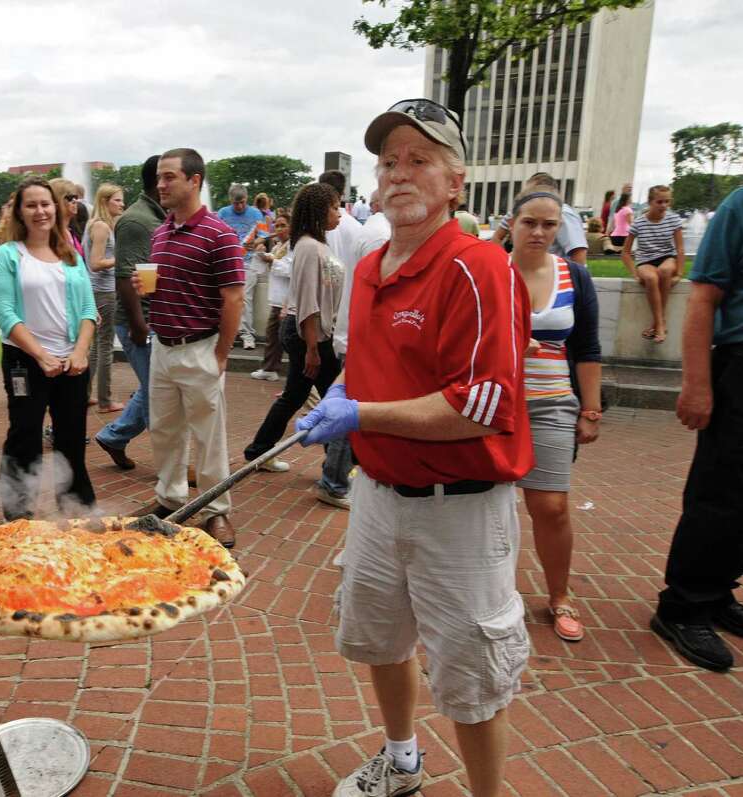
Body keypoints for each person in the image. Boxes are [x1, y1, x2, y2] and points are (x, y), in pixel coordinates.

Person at [297, 98, 532, 797]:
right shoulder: (370, 268)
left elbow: (483, 406)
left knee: (472, 679)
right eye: (389, 162)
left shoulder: (479, 267)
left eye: (419, 160)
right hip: (376, 497)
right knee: (380, 639)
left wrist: (361, 413)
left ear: (455, 182)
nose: (400, 173)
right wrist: (345, 391)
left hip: (461, 511)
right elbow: (368, 365)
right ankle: (401, 762)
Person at [652, 174, 743, 672]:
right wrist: (697, 384)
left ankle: (717, 588)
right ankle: (683, 606)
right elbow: (703, 298)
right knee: (724, 495)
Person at [509, 187, 603, 642]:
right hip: (492, 402)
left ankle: (559, 594)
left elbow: (587, 347)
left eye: (549, 225)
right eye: (530, 222)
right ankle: (487, 592)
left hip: (551, 402)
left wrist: (591, 410)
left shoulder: (574, 276)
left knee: (550, 505)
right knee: (484, 504)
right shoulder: (490, 271)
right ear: (512, 224)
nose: (539, 232)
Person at [147, 148, 245, 547]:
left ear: (195, 180)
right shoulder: (160, 233)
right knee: (164, 431)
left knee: (209, 437)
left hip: (200, 347)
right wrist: (146, 289)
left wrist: (221, 354)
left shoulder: (219, 234)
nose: (161, 184)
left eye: (169, 176)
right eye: (159, 177)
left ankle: (216, 510)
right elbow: (168, 287)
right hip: (162, 347)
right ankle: (170, 499)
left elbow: (233, 297)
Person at [0, 177, 98, 519]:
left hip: (71, 362)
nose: (40, 211)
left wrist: (80, 351)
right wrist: (40, 354)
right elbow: (5, 314)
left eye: (45, 204)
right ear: (20, 212)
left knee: (72, 438)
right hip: (25, 361)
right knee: (25, 435)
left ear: (56, 208)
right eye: (31, 205)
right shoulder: (8, 255)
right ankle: (18, 515)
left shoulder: (70, 253)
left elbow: (88, 309)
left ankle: (77, 510)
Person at [243, 183, 344, 476]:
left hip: (313, 332)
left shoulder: (316, 245)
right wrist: (312, 348)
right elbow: (307, 301)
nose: (339, 213)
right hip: (309, 333)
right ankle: (336, 470)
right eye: (334, 207)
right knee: (334, 397)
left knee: (297, 395)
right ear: (319, 210)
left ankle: (259, 450)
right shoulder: (309, 247)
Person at [94, 157, 165, 470]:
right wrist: (138, 325)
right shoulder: (137, 221)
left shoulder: (159, 216)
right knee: (158, 391)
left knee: (152, 387)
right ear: (159, 181)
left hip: (153, 319)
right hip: (141, 322)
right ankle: (169, 463)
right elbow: (125, 276)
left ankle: (114, 436)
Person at [315, 169, 364, 509]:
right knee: (342, 402)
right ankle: (333, 477)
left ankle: (335, 469)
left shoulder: (330, 231)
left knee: (332, 398)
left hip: (332, 323)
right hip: (336, 325)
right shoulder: (355, 230)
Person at [82, 183, 126, 414]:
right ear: (104, 201)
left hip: (97, 291)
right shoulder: (101, 227)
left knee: (96, 347)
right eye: (117, 200)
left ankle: (84, 394)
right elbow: (95, 263)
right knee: (105, 346)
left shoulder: (96, 224)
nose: (122, 204)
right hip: (104, 292)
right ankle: (105, 401)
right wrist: (122, 259)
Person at [621, 185, 685, 344]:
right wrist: (634, 274)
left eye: (667, 201)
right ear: (650, 202)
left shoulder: (673, 220)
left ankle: (658, 325)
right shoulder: (639, 223)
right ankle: (660, 323)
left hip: (667, 257)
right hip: (645, 260)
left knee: (665, 271)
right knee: (651, 278)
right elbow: (625, 252)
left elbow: (680, 248)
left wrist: (679, 273)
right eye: (659, 202)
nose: (664, 205)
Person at [491, 173, 587, 264]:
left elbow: (578, 251)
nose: (538, 232)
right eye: (528, 222)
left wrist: (573, 273)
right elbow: (497, 237)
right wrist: (502, 263)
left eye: (549, 224)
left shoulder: (564, 213)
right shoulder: (519, 209)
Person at [218, 184, 265, 349]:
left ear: (247, 199)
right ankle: (228, 336)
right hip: (228, 261)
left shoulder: (256, 213)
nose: (239, 206)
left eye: (242, 202)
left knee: (244, 298)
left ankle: (247, 335)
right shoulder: (223, 213)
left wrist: (257, 242)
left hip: (249, 261)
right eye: (236, 203)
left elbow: (264, 234)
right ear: (230, 200)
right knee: (226, 299)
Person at [251, 211, 291, 382]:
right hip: (277, 298)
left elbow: (291, 270)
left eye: (283, 225)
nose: (279, 229)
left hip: (288, 300)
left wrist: (272, 260)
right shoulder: (277, 247)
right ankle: (270, 369)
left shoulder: (295, 246)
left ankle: (275, 370)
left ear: (291, 227)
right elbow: (263, 270)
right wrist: (260, 254)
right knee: (273, 336)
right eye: (277, 226)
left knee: (285, 338)